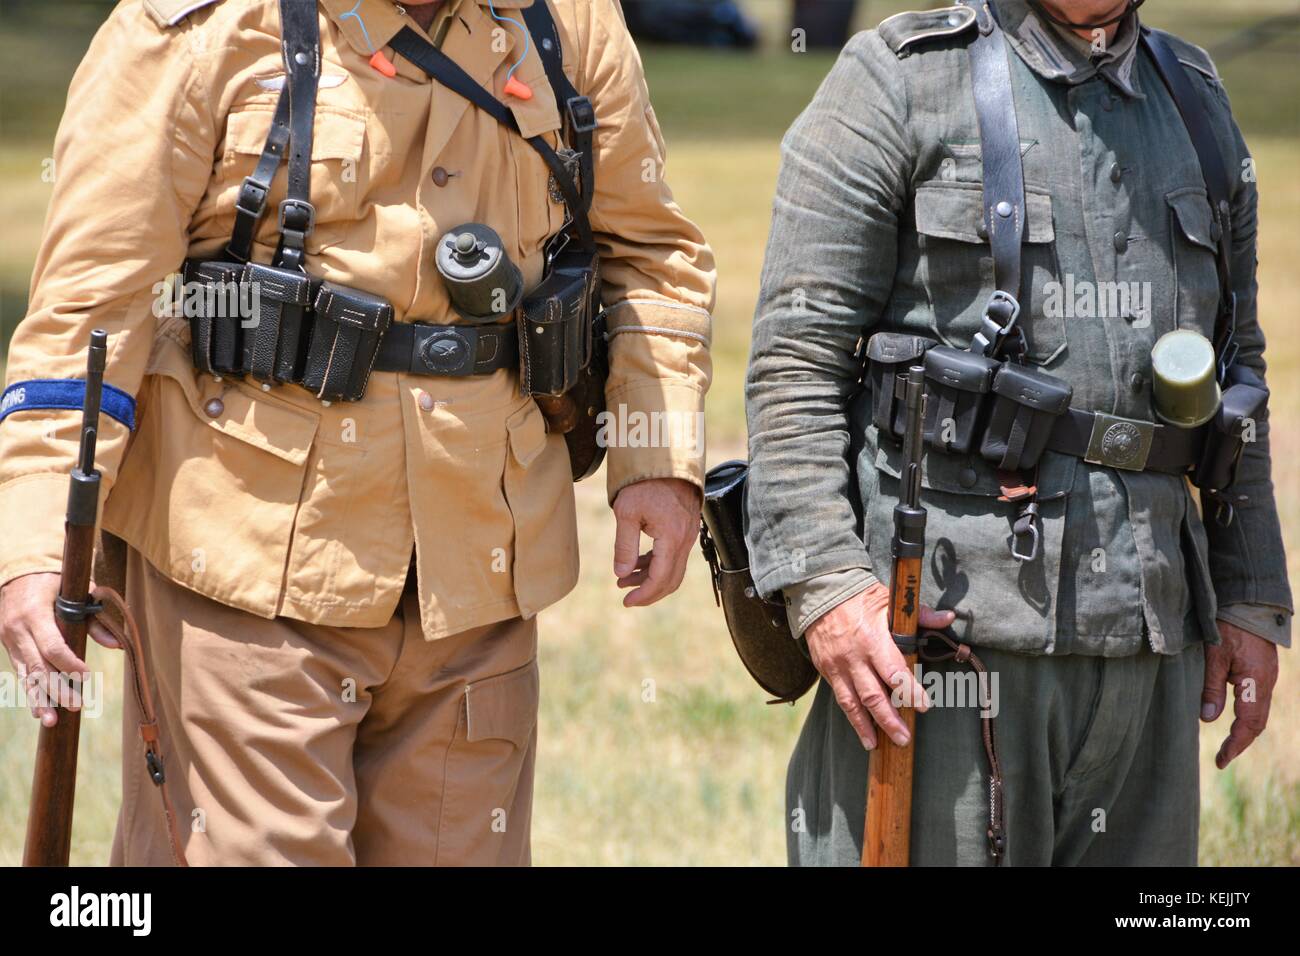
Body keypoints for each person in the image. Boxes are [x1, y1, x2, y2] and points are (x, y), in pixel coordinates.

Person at [0, 0, 714, 866]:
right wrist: (37, 543)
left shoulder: (567, 22)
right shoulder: (197, 31)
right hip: (246, 574)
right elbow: (91, 312)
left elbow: (649, 253)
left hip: (478, 573)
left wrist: (656, 460)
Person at [745, 0, 1290, 865]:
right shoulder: (899, 79)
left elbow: (1238, 372)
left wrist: (1252, 594)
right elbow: (795, 358)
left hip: (1150, 648)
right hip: (945, 653)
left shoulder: (1195, 101)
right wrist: (825, 581)